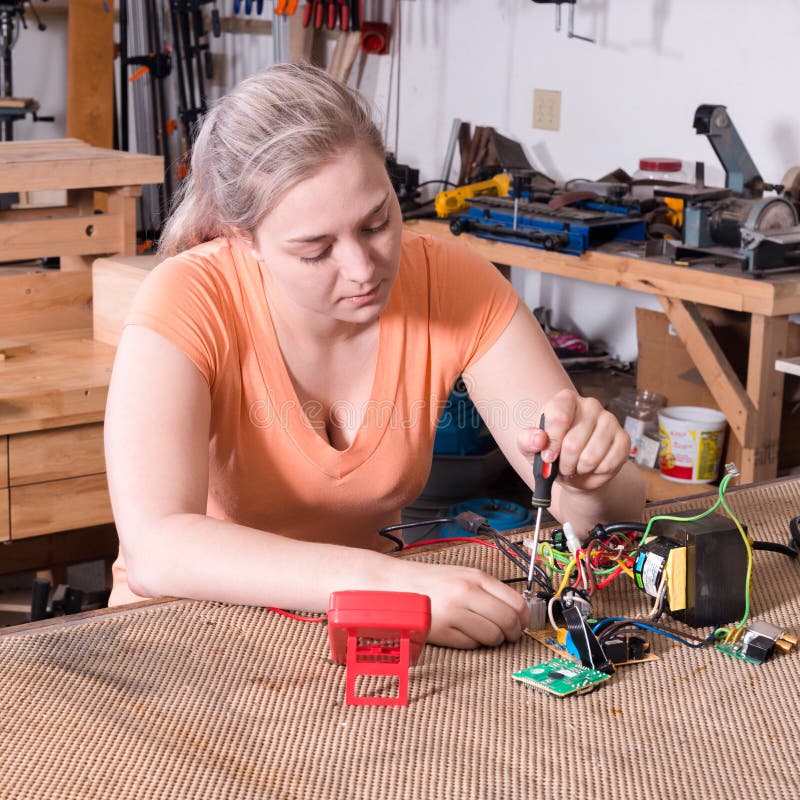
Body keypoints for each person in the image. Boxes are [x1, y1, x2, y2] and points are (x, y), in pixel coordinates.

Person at [104, 62, 644, 649]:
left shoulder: (454, 284)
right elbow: (157, 546)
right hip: (178, 637)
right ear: (243, 239)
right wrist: (390, 584)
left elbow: (606, 519)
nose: (364, 270)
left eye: (377, 223)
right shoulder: (189, 299)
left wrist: (589, 481)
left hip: (354, 627)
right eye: (316, 251)